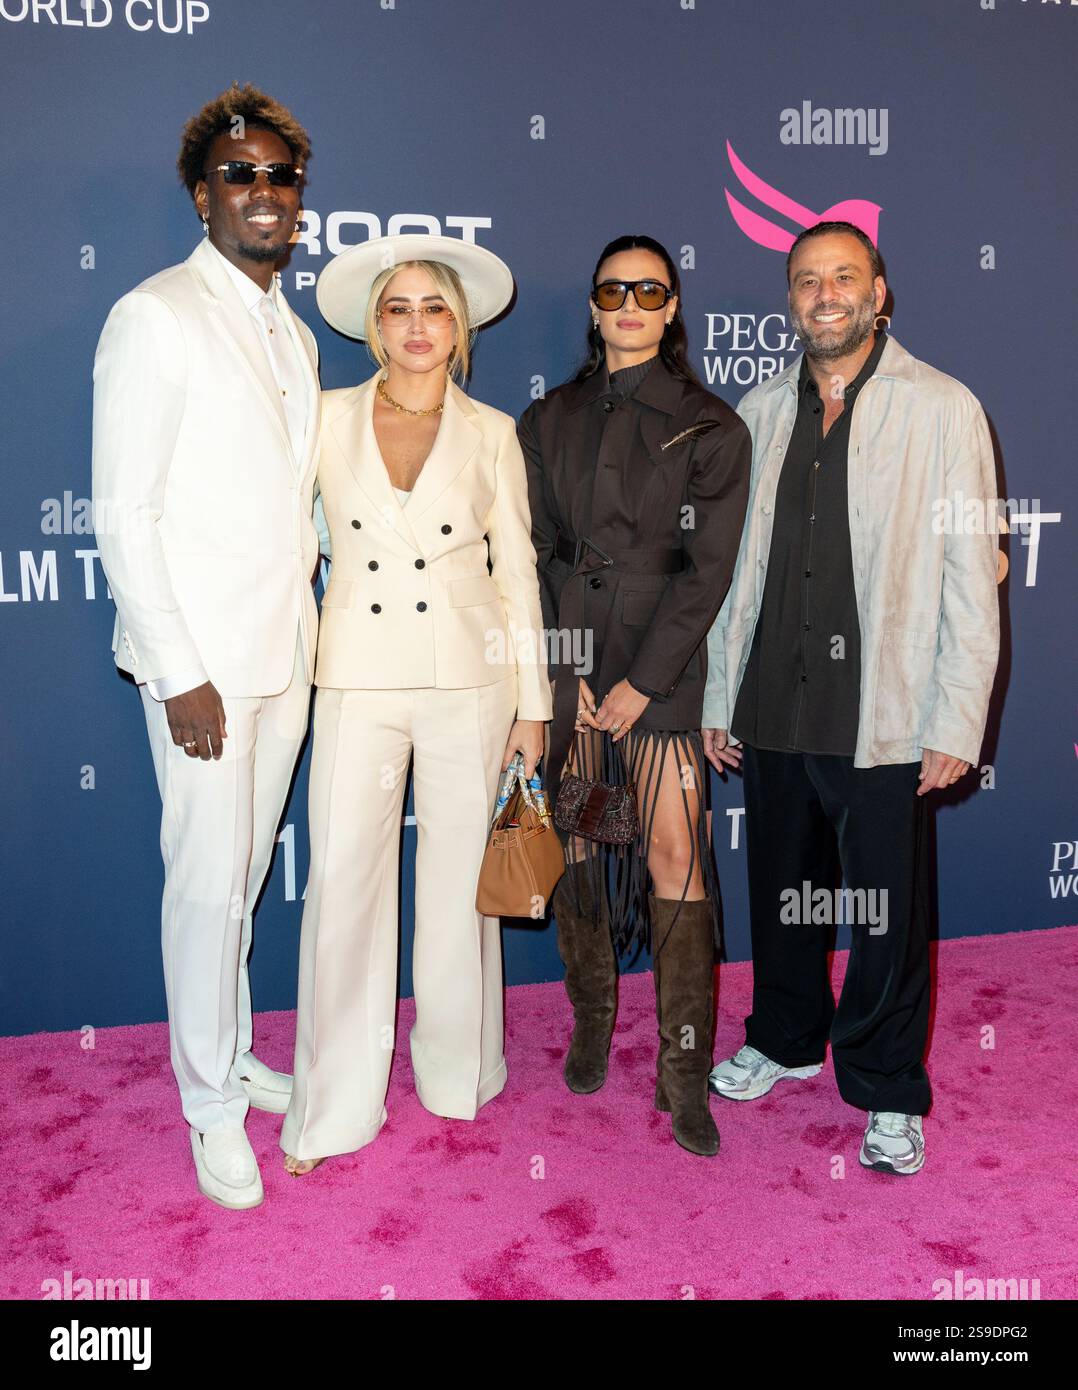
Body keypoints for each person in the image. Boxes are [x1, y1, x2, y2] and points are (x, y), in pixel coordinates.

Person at [703, 220, 1000, 1176]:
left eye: (843, 277)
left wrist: (957, 716)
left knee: (882, 917)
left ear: (880, 293)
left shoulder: (944, 408)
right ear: (790, 300)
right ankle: (787, 1038)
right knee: (787, 900)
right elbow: (736, 575)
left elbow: (969, 573)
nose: (823, 294)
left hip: (887, 710)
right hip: (775, 707)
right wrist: (719, 692)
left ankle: (883, 1086)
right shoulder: (756, 411)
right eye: (805, 281)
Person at [91, 84, 321, 1209]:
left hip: (285, 653)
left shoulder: (293, 330)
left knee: (242, 879)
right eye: (241, 174)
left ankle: (227, 1053)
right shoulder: (155, 316)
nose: (264, 192)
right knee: (203, 884)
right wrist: (178, 670)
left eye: (282, 176)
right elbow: (123, 514)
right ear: (202, 194)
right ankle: (208, 1109)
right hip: (205, 672)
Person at [281, 235, 552, 1175]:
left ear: (461, 324)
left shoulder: (492, 433)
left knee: (456, 891)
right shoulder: (320, 418)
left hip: (469, 679)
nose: (417, 326)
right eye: (398, 308)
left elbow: (517, 570)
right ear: (373, 326)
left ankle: (459, 1072)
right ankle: (332, 1101)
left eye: (435, 307)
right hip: (355, 672)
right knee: (344, 887)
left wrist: (535, 704)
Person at [518, 235, 752, 1157]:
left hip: (660, 673)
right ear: (593, 304)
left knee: (673, 854)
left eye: (648, 290)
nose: (629, 303)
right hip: (575, 667)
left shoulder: (712, 425)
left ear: (670, 308)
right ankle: (590, 1020)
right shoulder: (547, 421)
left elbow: (709, 572)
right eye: (613, 287)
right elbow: (530, 554)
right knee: (581, 836)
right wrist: (568, 675)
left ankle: (684, 1068)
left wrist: (641, 683)